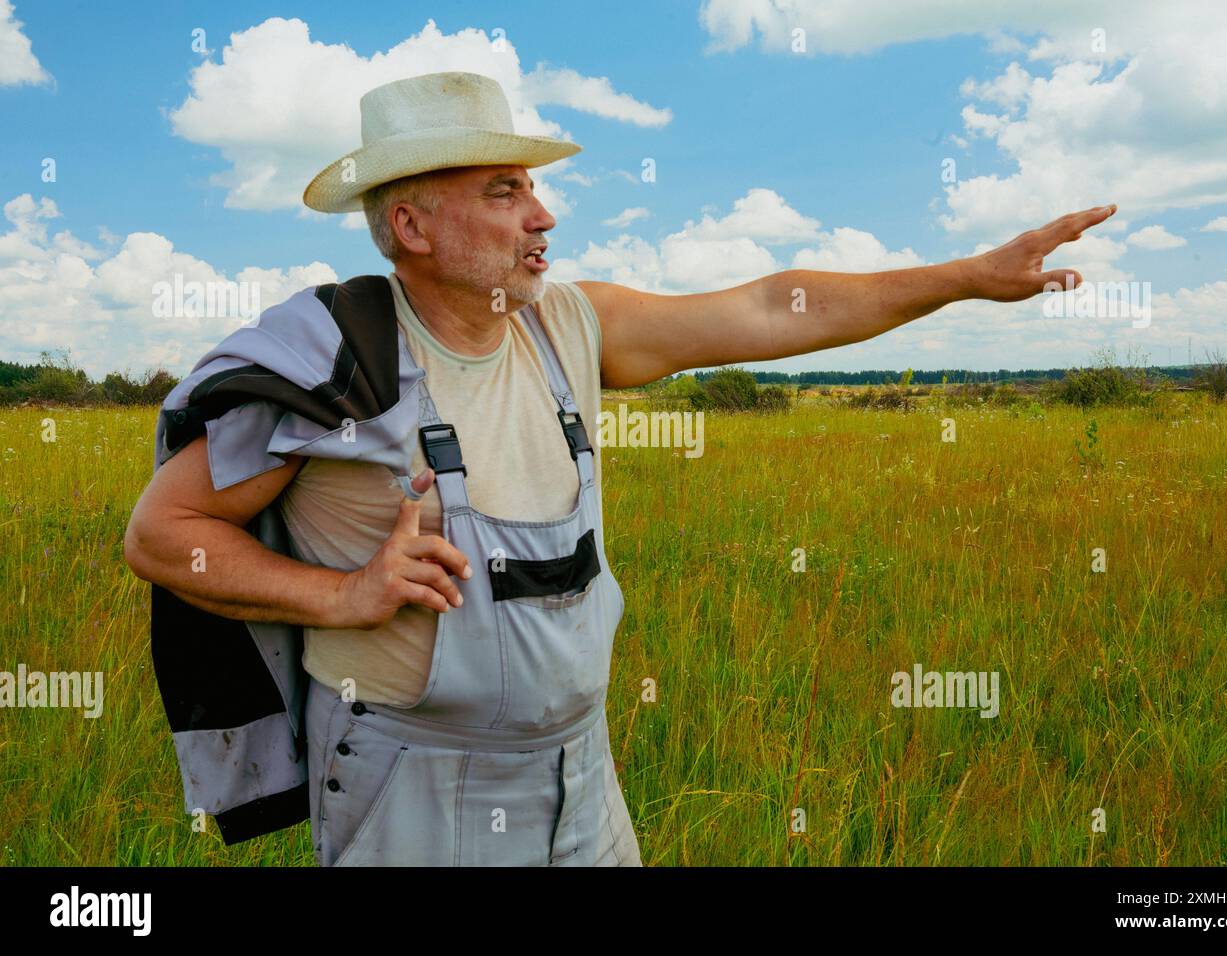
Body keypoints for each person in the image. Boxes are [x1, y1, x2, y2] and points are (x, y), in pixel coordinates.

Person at [124, 70, 1117, 866]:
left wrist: (968, 279)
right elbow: (163, 535)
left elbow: (773, 307)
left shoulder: (567, 326)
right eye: (505, 190)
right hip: (410, 791)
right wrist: (341, 596)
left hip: (580, 777)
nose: (540, 214)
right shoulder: (334, 360)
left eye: (532, 187)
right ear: (413, 227)